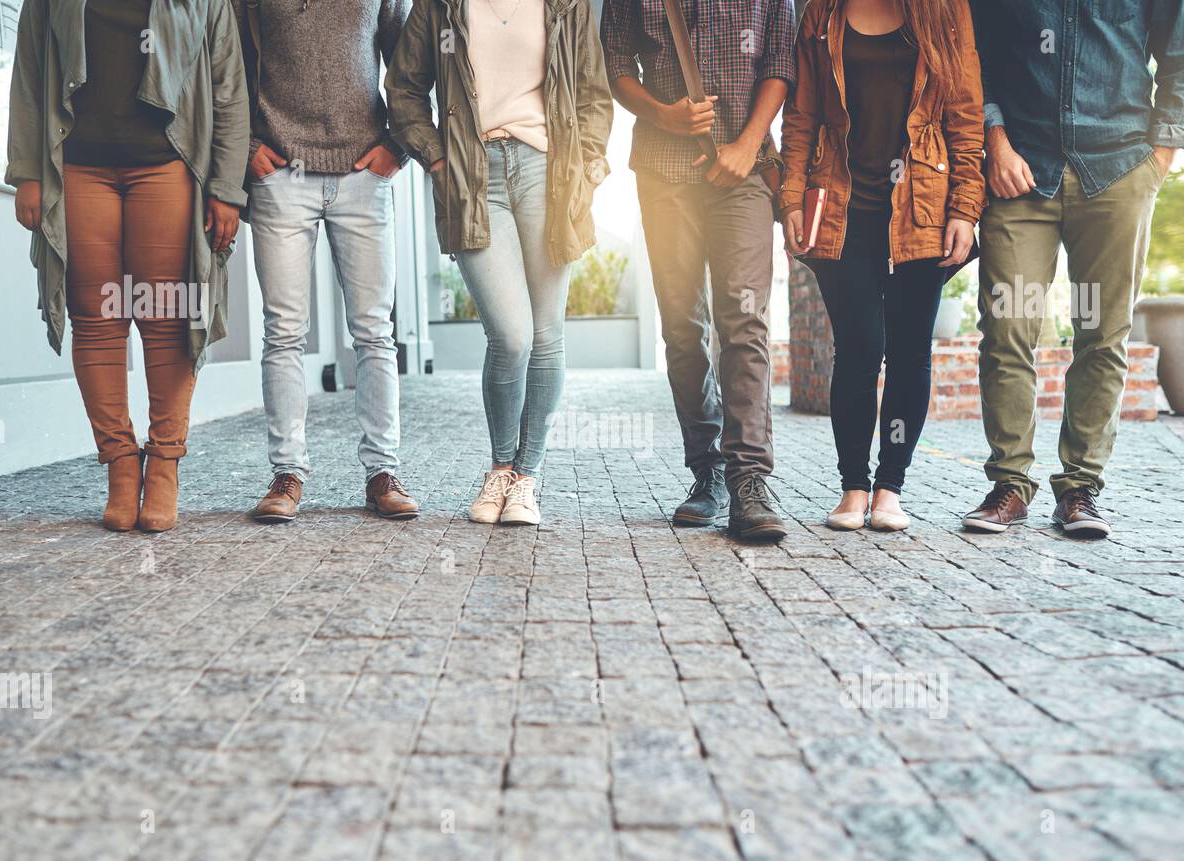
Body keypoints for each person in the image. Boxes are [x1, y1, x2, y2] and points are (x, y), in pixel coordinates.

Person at [962, 0, 1184, 538]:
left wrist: (1156, 164)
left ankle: (1080, 488)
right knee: (1007, 328)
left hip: (1118, 170)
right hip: (1019, 175)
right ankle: (1009, 484)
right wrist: (993, 142)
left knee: (1101, 333)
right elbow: (972, 59)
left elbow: (1183, 59)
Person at [8, 0, 249, 533]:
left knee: (166, 319)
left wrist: (227, 188)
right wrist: (27, 168)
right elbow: (29, 68)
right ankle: (119, 464)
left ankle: (164, 461)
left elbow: (229, 85)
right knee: (96, 320)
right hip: (77, 163)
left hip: (168, 164)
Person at [387, 0, 612, 527]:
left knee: (547, 333)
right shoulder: (441, 7)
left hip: (547, 170)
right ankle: (500, 468)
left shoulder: (565, 5)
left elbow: (594, 94)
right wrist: (438, 159)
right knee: (511, 335)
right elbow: (403, 89)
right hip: (472, 172)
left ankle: (524, 479)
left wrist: (589, 166)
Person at [781, 0, 984, 531]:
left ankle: (890, 487)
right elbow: (801, 116)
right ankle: (853, 487)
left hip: (922, 207)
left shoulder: (943, 10)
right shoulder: (822, 13)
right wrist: (789, 198)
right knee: (858, 347)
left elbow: (965, 113)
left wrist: (965, 207)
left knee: (910, 350)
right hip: (842, 205)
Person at [602, 0, 795, 543]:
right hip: (664, 172)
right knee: (683, 329)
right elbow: (617, 65)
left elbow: (781, 60)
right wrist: (662, 115)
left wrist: (750, 142)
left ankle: (749, 480)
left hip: (745, 169)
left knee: (744, 319)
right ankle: (706, 472)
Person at [239, 0, 420, 524]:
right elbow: (221, 64)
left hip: (364, 175)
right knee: (285, 332)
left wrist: (397, 148)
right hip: (279, 174)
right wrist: (247, 146)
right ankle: (288, 474)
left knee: (373, 331)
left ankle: (383, 473)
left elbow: (409, 67)